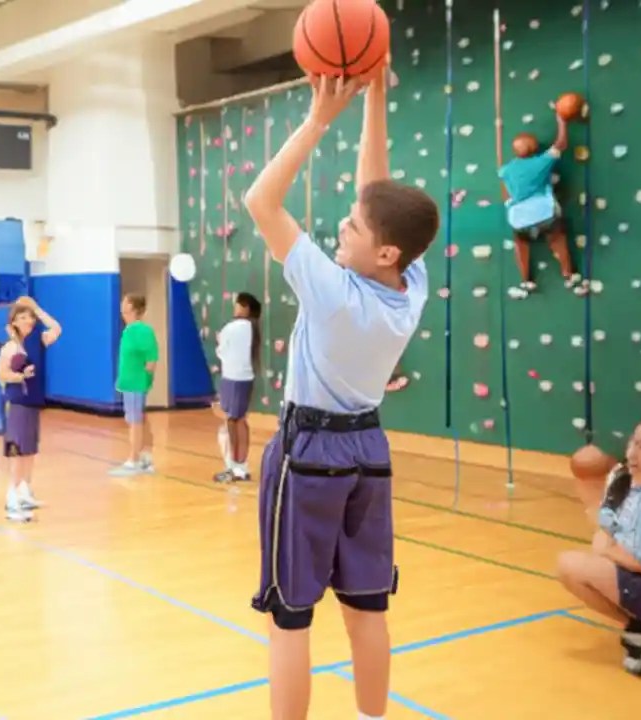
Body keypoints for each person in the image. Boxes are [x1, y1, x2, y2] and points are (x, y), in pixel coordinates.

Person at [243, 65, 438, 720]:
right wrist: (378, 94)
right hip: (368, 451)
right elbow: (375, 192)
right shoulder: (411, 284)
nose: (341, 231)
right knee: (366, 609)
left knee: (289, 619)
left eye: (353, 229)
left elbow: (261, 202)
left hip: (309, 452)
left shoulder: (330, 292)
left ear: (384, 252)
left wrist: (319, 120)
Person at [558, 420, 641, 677]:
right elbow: (607, 524)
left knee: (572, 565)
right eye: (634, 442)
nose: (634, 452)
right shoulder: (625, 482)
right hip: (635, 572)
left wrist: (606, 551)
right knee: (574, 567)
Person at [498, 111, 586, 298]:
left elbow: (504, 184)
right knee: (557, 241)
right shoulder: (541, 162)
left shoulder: (506, 170)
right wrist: (561, 121)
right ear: (535, 148)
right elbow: (561, 144)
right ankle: (568, 274)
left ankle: (526, 280)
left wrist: (507, 202)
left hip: (519, 217)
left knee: (521, 246)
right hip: (544, 213)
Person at [0, 297, 62, 522]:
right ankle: (11, 497)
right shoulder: (10, 347)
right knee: (17, 450)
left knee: (30, 450)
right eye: (22, 317)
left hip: (34, 402)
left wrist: (37, 308)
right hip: (17, 403)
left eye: (30, 316)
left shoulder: (38, 341)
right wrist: (20, 376)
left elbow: (57, 328)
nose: (28, 321)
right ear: (13, 322)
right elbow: (1, 374)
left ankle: (24, 491)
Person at [214, 292, 262, 483]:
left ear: (246, 308)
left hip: (233, 377)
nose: (236, 307)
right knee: (239, 419)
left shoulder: (233, 328)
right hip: (244, 378)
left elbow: (221, 351)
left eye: (239, 304)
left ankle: (235, 466)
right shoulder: (251, 328)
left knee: (233, 421)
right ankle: (239, 465)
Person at [110, 294, 159, 477]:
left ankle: (134, 459)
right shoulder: (128, 330)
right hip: (128, 383)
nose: (122, 311)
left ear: (135, 310)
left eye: (126, 307)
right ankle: (146, 458)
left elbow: (151, 360)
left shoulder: (143, 331)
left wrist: (144, 380)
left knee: (135, 422)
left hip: (136, 384)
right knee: (139, 420)